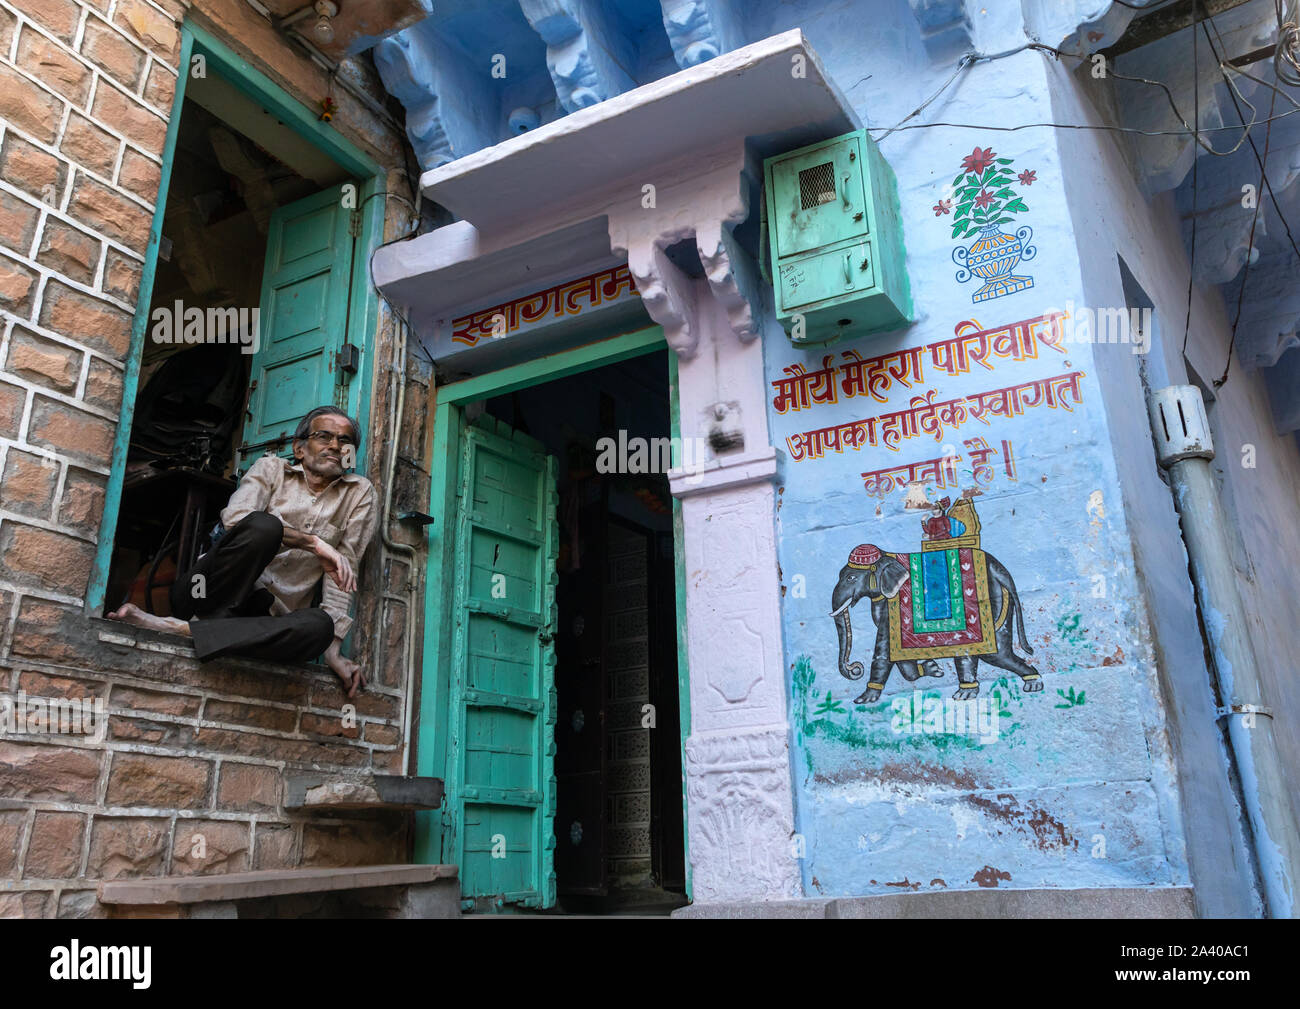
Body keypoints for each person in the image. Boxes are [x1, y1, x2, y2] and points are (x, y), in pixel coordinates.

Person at [109, 406, 378, 697]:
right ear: (299, 449)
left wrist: (334, 652)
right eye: (324, 436)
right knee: (264, 527)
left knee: (319, 626)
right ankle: (203, 625)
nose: (336, 446)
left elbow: (343, 574)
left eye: (344, 440)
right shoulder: (271, 469)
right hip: (207, 594)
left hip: (263, 617)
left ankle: (180, 630)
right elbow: (236, 519)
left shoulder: (359, 493)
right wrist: (312, 542)